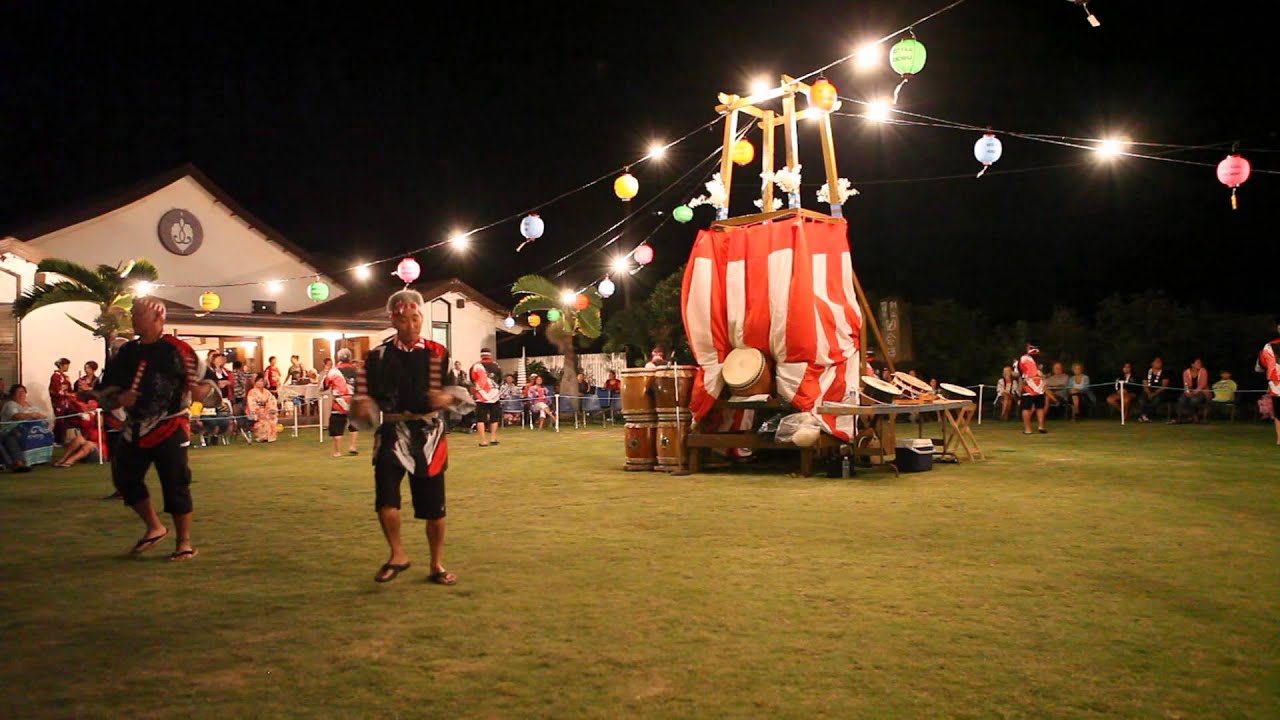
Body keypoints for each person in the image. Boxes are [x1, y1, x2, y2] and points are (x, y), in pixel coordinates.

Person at [349, 290, 459, 584]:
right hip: (391, 433)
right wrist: (362, 406)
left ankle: (436, 564)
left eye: (416, 318)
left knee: (434, 508)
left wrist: (446, 397)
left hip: (429, 436)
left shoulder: (439, 353)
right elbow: (363, 400)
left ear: (421, 318)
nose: (411, 325)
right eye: (404, 320)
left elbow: (458, 391)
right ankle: (397, 554)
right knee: (386, 498)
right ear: (393, 321)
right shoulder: (377, 356)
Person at [97, 297, 201, 561]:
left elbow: (205, 383)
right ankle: (155, 527)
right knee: (124, 478)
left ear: (158, 318)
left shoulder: (178, 349)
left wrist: (202, 391)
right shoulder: (127, 352)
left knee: (175, 482)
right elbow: (106, 392)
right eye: (133, 314)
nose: (133, 318)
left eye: (138, 314)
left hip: (171, 424)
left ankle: (184, 542)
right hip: (135, 426)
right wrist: (118, 399)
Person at [323, 349, 358, 457]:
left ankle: (337, 452)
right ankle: (353, 446)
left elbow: (325, 386)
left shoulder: (333, 371)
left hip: (338, 401)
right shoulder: (356, 371)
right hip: (353, 400)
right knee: (354, 424)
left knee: (337, 425)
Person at [0, 384, 42, 472]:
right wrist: (32, 415)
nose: (21, 394)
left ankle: (25, 461)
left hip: (26, 429)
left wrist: (40, 416)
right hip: (8, 429)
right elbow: (16, 416)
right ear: (13, 395)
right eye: (19, 392)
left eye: (23, 392)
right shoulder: (11, 404)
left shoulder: (28, 405)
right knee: (11, 436)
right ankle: (17, 463)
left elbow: (40, 415)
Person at [470, 348, 502, 447]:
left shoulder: (475, 366)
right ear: (490, 355)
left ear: (481, 355)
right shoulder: (496, 365)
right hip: (494, 395)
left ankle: (483, 440)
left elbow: (472, 379)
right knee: (494, 418)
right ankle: (493, 438)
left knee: (480, 419)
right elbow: (500, 379)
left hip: (481, 395)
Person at [1015, 343, 1048, 434]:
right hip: (1040, 385)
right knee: (1040, 407)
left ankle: (1028, 429)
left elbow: (1018, 373)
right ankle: (1041, 426)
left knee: (1026, 407)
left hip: (1028, 384)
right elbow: (1044, 371)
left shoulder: (1022, 358)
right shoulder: (1041, 357)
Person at [1258, 319, 1280, 445]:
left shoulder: (1269, 346)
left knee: (1279, 411)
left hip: (1276, 382)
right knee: (1278, 411)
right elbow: (1266, 363)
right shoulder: (1270, 346)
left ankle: (1279, 438)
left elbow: (1264, 364)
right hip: (1276, 383)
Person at [1172, 357, 1211, 424]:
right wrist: (1187, 392)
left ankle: (1194, 417)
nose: (1200, 364)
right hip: (1190, 392)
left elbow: (1203, 384)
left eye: (1200, 363)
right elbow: (1186, 384)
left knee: (1194, 400)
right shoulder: (1186, 372)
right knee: (1181, 400)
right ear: (1192, 364)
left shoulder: (1203, 371)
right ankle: (1186, 417)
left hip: (1202, 391)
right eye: (1198, 363)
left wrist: (1194, 393)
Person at [1137, 357, 1174, 423]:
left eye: (1160, 362)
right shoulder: (1147, 372)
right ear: (1152, 363)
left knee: (1156, 400)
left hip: (1160, 392)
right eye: (1157, 362)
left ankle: (1144, 415)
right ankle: (1144, 416)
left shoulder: (1165, 373)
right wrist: (1149, 393)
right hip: (1148, 391)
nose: (1159, 363)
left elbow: (1164, 386)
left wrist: (1154, 394)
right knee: (1142, 399)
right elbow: (1145, 385)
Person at [246, 374, 279, 442]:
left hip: (266, 410)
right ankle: (261, 436)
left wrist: (270, 409)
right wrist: (259, 411)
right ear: (255, 382)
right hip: (255, 411)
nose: (260, 383)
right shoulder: (252, 392)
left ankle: (270, 436)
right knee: (263, 419)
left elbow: (272, 400)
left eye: (262, 381)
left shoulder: (267, 392)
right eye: (258, 381)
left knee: (271, 416)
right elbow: (251, 404)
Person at [49, 357, 74, 442]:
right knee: (60, 420)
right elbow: (55, 390)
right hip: (59, 402)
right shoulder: (56, 376)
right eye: (66, 365)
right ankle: (57, 440)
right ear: (61, 365)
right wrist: (66, 394)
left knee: (65, 420)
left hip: (66, 401)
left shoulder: (66, 377)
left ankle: (62, 439)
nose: (68, 367)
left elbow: (69, 388)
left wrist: (71, 394)